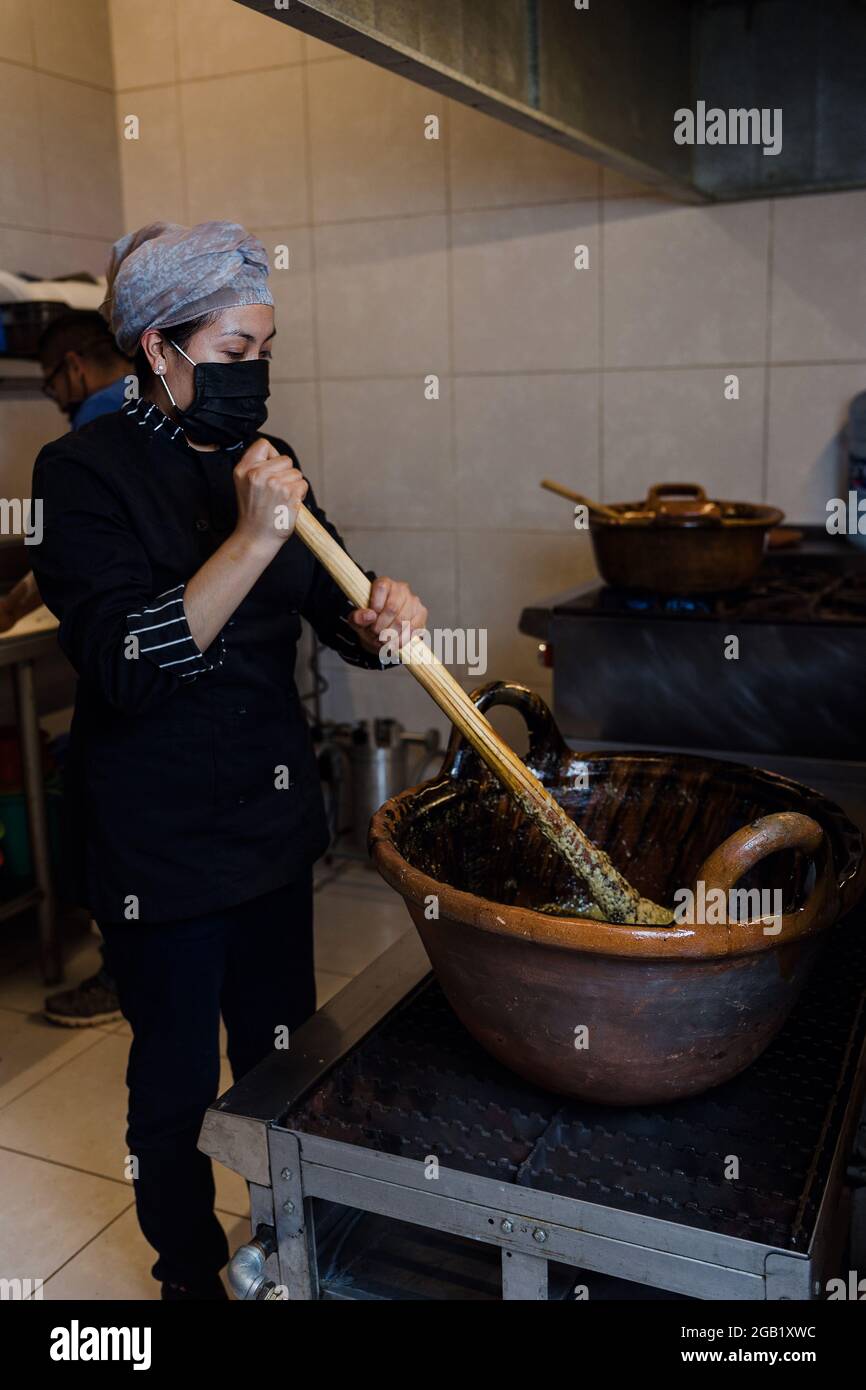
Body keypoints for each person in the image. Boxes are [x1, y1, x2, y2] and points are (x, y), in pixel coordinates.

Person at [30, 220, 428, 1300]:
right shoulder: (78, 475)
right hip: (155, 838)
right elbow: (125, 664)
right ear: (159, 349)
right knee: (171, 1085)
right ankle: (188, 1281)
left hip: (266, 821)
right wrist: (252, 535)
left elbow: (335, 598)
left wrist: (376, 613)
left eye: (265, 353)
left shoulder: (267, 463)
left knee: (283, 1067)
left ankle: (287, 1256)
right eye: (235, 354)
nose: (255, 378)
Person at [0, 311, 132, 1025]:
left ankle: (117, 974)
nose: (55, 394)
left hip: (127, 678)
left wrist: (11, 604)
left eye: (52, 381)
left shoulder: (89, 430)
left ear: (74, 370)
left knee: (108, 814)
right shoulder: (161, 406)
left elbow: (55, 555)